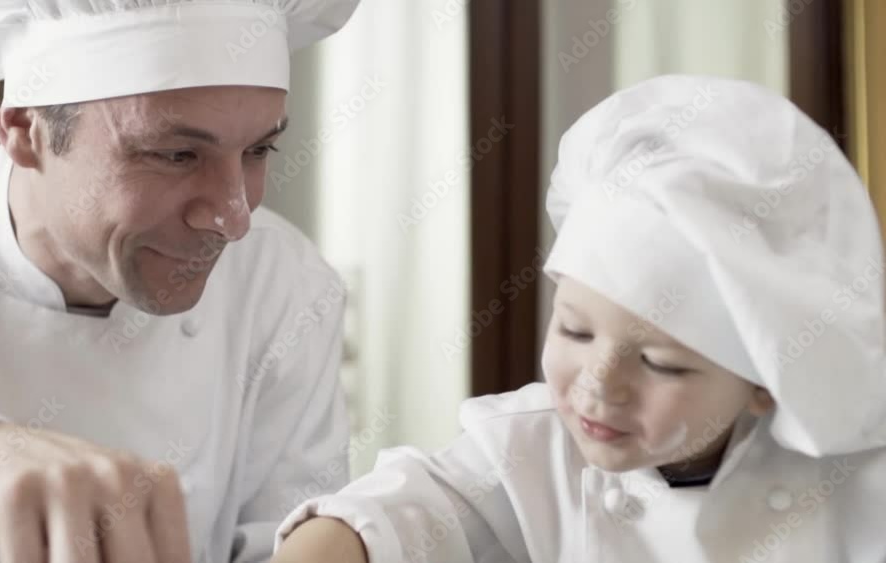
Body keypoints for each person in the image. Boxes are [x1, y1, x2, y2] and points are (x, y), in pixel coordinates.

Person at [270, 75, 886, 562]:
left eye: (660, 363)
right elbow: (410, 508)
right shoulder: (535, 448)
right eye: (575, 330)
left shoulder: (856, 484)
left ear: (762, 383)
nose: (597, 384)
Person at [0, 1, 360, 561]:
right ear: (24, 132)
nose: (234, 219)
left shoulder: (285, 286)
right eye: (177, 154)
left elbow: (285, 543)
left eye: (258, 150)